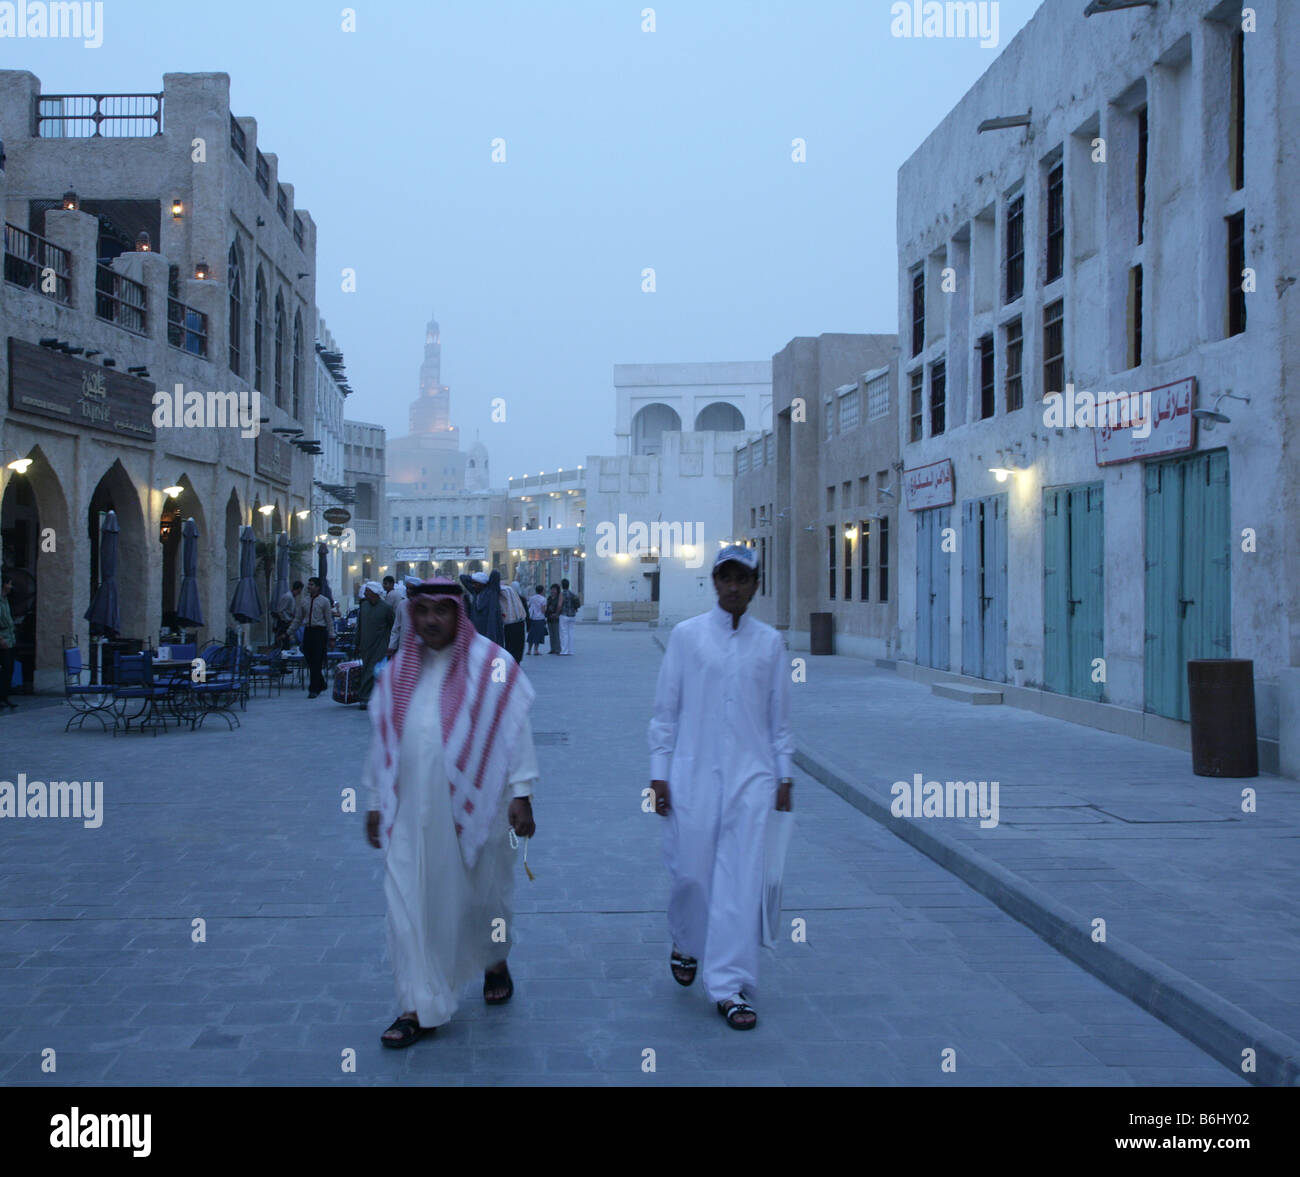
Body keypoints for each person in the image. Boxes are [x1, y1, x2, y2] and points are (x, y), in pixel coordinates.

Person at [364, 577, 539, 1048]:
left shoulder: (492, 665)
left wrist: (521, 791)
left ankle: (494, 959)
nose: (431, 620)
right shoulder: (398, 672)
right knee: (408, 902)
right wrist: (377, 802)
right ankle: (417, 1006)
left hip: (482, 805)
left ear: (458, 614)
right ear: (412, 614)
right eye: (422, 611)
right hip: (410, 814)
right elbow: (383, 742)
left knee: (484, 899)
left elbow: (514, 728)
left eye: (442, 611)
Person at [647, 544, 794, 1031]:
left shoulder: (770, 643)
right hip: (692, 777)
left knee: (739, 882)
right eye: (725, 578)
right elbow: (666, 711)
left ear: (756, 585)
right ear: (714, 582)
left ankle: (730, 987)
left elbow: (780, 720)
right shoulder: (687, 637)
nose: (733, 587)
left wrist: (784, 774)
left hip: (751, 781)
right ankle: (687, 940)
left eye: (743, 579)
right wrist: (658, 771)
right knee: (691, 875)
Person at [356, 581, 395, 710]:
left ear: (374, 592)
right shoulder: (364, 606)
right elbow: (359, 627)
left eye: (367, 591)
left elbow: (393, 625)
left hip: (380, 645)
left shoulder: (386, 607)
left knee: (372, 670)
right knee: (367, 669)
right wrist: (357, 643)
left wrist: (390, 644)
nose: (365, 593)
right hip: (365, 644)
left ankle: (364, 697)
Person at [301, 577, 332, 698]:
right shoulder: (304, 601)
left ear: (318, 587)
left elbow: (329, 620)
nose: (308, 586)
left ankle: (313, 688)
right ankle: (321, 682)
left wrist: (332, 636)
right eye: (308, 584)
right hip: (308, 631)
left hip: (319, 632)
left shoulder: (324, 601)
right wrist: (289, 631)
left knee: (317, 660)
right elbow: (299, 618)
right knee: (308, 657)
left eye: (311, 584)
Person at [459, 568, 504, 646]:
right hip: (475, 631)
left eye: (475, 583)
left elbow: (495, 573)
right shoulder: (475, 592)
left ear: (482, 584)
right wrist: (474, 578)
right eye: (472, 583)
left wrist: (486, 581)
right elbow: (462, 577)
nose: (473, 585)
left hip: (488, 631)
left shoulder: (492, 592)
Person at [387, 576, 422, 658]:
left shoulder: (425, 605)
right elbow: (396, 628)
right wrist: (392, 646)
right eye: (407, 588)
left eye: (412, 588)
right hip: (404, 647)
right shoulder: (402, 604)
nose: (408, 591)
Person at [500, 578, 527, 665]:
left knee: (512, 644)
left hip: (510, 624)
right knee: (517, 644)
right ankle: (515, 662)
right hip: (518, 623)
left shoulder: (503, 593)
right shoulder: (510, 594)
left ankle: (513, 662)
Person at [0, 574, 17, 712]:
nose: (11, 587)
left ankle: (4, 696)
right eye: (9, 584)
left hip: (10, 638)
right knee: (4, 668)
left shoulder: (6, 600)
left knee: (8, 669)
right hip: (3, 638)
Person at [275, 580, 303, 649]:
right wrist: (287, 619)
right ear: (299, 589)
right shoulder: (288, 597)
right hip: (283, 623)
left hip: (288, 622)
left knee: (287, 641)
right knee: (284, 641)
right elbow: (280, 610)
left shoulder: (292, 597)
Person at [558, 578, 580, 656]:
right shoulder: (572, 593)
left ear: (562, 585)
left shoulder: (562, 594)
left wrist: (557, 613)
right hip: (572, 615)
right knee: (571, 633)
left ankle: (564, 651)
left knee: (564, 633)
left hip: (564, 615)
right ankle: (571, 651)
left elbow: (560, 605)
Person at [526, 584, 548, 656]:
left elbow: (528, 606)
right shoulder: (543, 599)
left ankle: (529, 650)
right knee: (538, 635)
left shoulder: (532, 598)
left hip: (532, 618)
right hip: (540, 618)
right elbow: (543, 610)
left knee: (531, 634)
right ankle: (536, 650)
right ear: (542, 591)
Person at [545, 583, 562, 655]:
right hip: (549, 618)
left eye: (554, 589)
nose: (552, 591)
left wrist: (556, 614)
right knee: (551, 634)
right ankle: (552, 649)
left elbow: (559, 606)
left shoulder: (559, 598)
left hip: (556, 618)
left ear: (557, 590)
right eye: (552, 589)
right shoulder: (549, 598)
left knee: (556, 634)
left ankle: (558, 649)